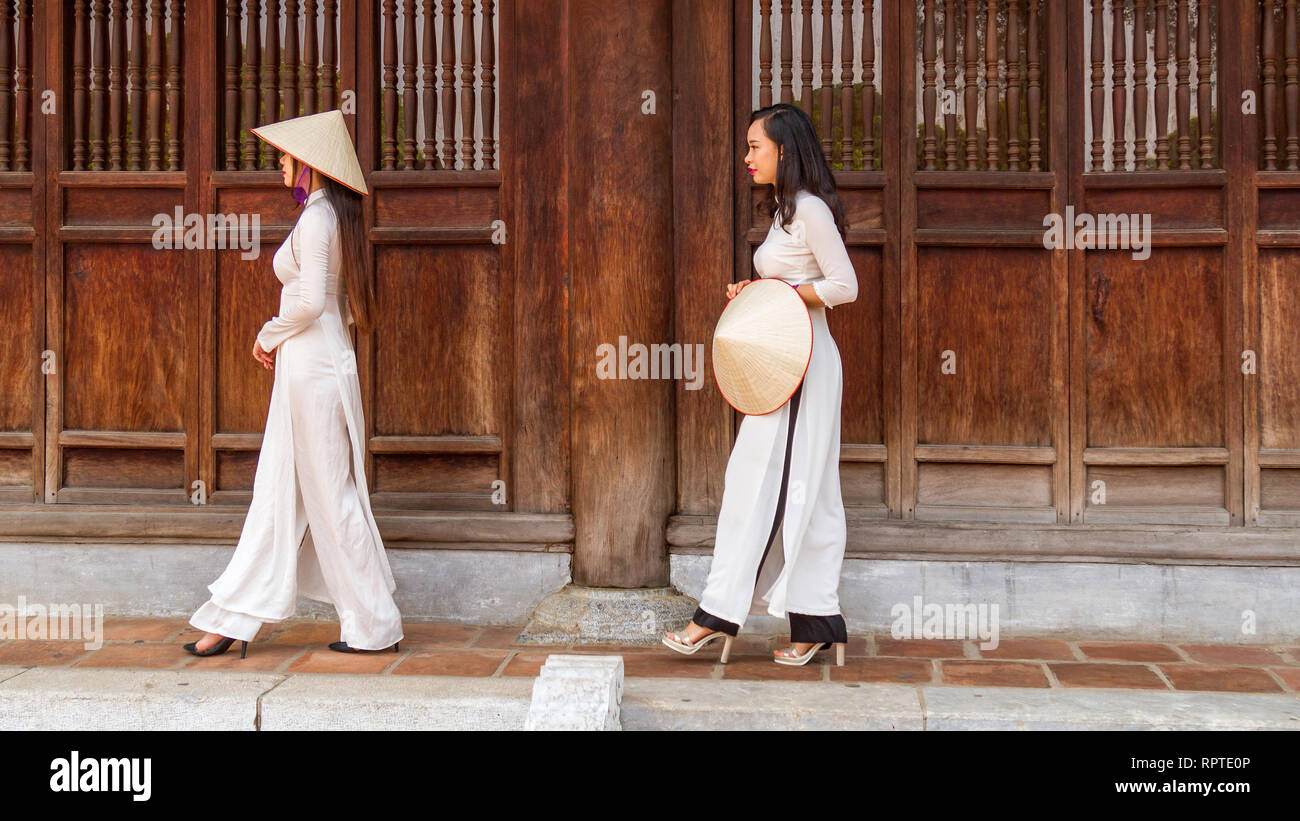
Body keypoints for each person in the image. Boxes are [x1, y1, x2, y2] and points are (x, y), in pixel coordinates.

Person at [183, 110, 403, 658]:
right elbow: (338, 305)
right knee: (283, 488)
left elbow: (308, 302)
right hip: (312, 365)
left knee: (331, 497)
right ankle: (235, 617)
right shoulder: (327, 217)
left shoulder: (318, 219)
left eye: (285, 156)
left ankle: (374, 624)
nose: (279, 163)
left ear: (308, 164)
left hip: (313, 371)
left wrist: (268, 333)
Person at [662, 103, 858, 666]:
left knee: (773, 484)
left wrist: (785, 294)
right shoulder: (785, 211)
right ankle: (813, 621)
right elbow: (794, 280)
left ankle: (716, 616)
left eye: (756, 146)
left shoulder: (811, 211)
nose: (747, 156)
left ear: (784, 150)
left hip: (804, 365)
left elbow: (844, 286)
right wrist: (756, 289)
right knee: (799, 490)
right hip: (784, 361)